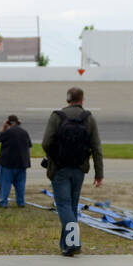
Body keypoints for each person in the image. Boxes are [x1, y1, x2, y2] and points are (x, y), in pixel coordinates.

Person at [42, 87, 103, 256]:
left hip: (59, 168)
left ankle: (73, 243)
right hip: (79, 169)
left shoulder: (57, 116)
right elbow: (96, 147)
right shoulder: (88, 118)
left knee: (63, 206)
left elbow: (46, 142)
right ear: (82, 100)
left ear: (67, 99)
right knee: (72, 206)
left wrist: (53, 156)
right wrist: (99, 173)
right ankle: (67, 244)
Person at [0, 114, 32, 207]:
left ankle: (3, 202)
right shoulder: (24, 132)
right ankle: (21, 202)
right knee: (20, 185)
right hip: (22, 163)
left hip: (8, 163)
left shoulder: (7, 132)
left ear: (8, 122)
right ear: (18, 122)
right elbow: (29, 145)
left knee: (5, 184)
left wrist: (3, 127)